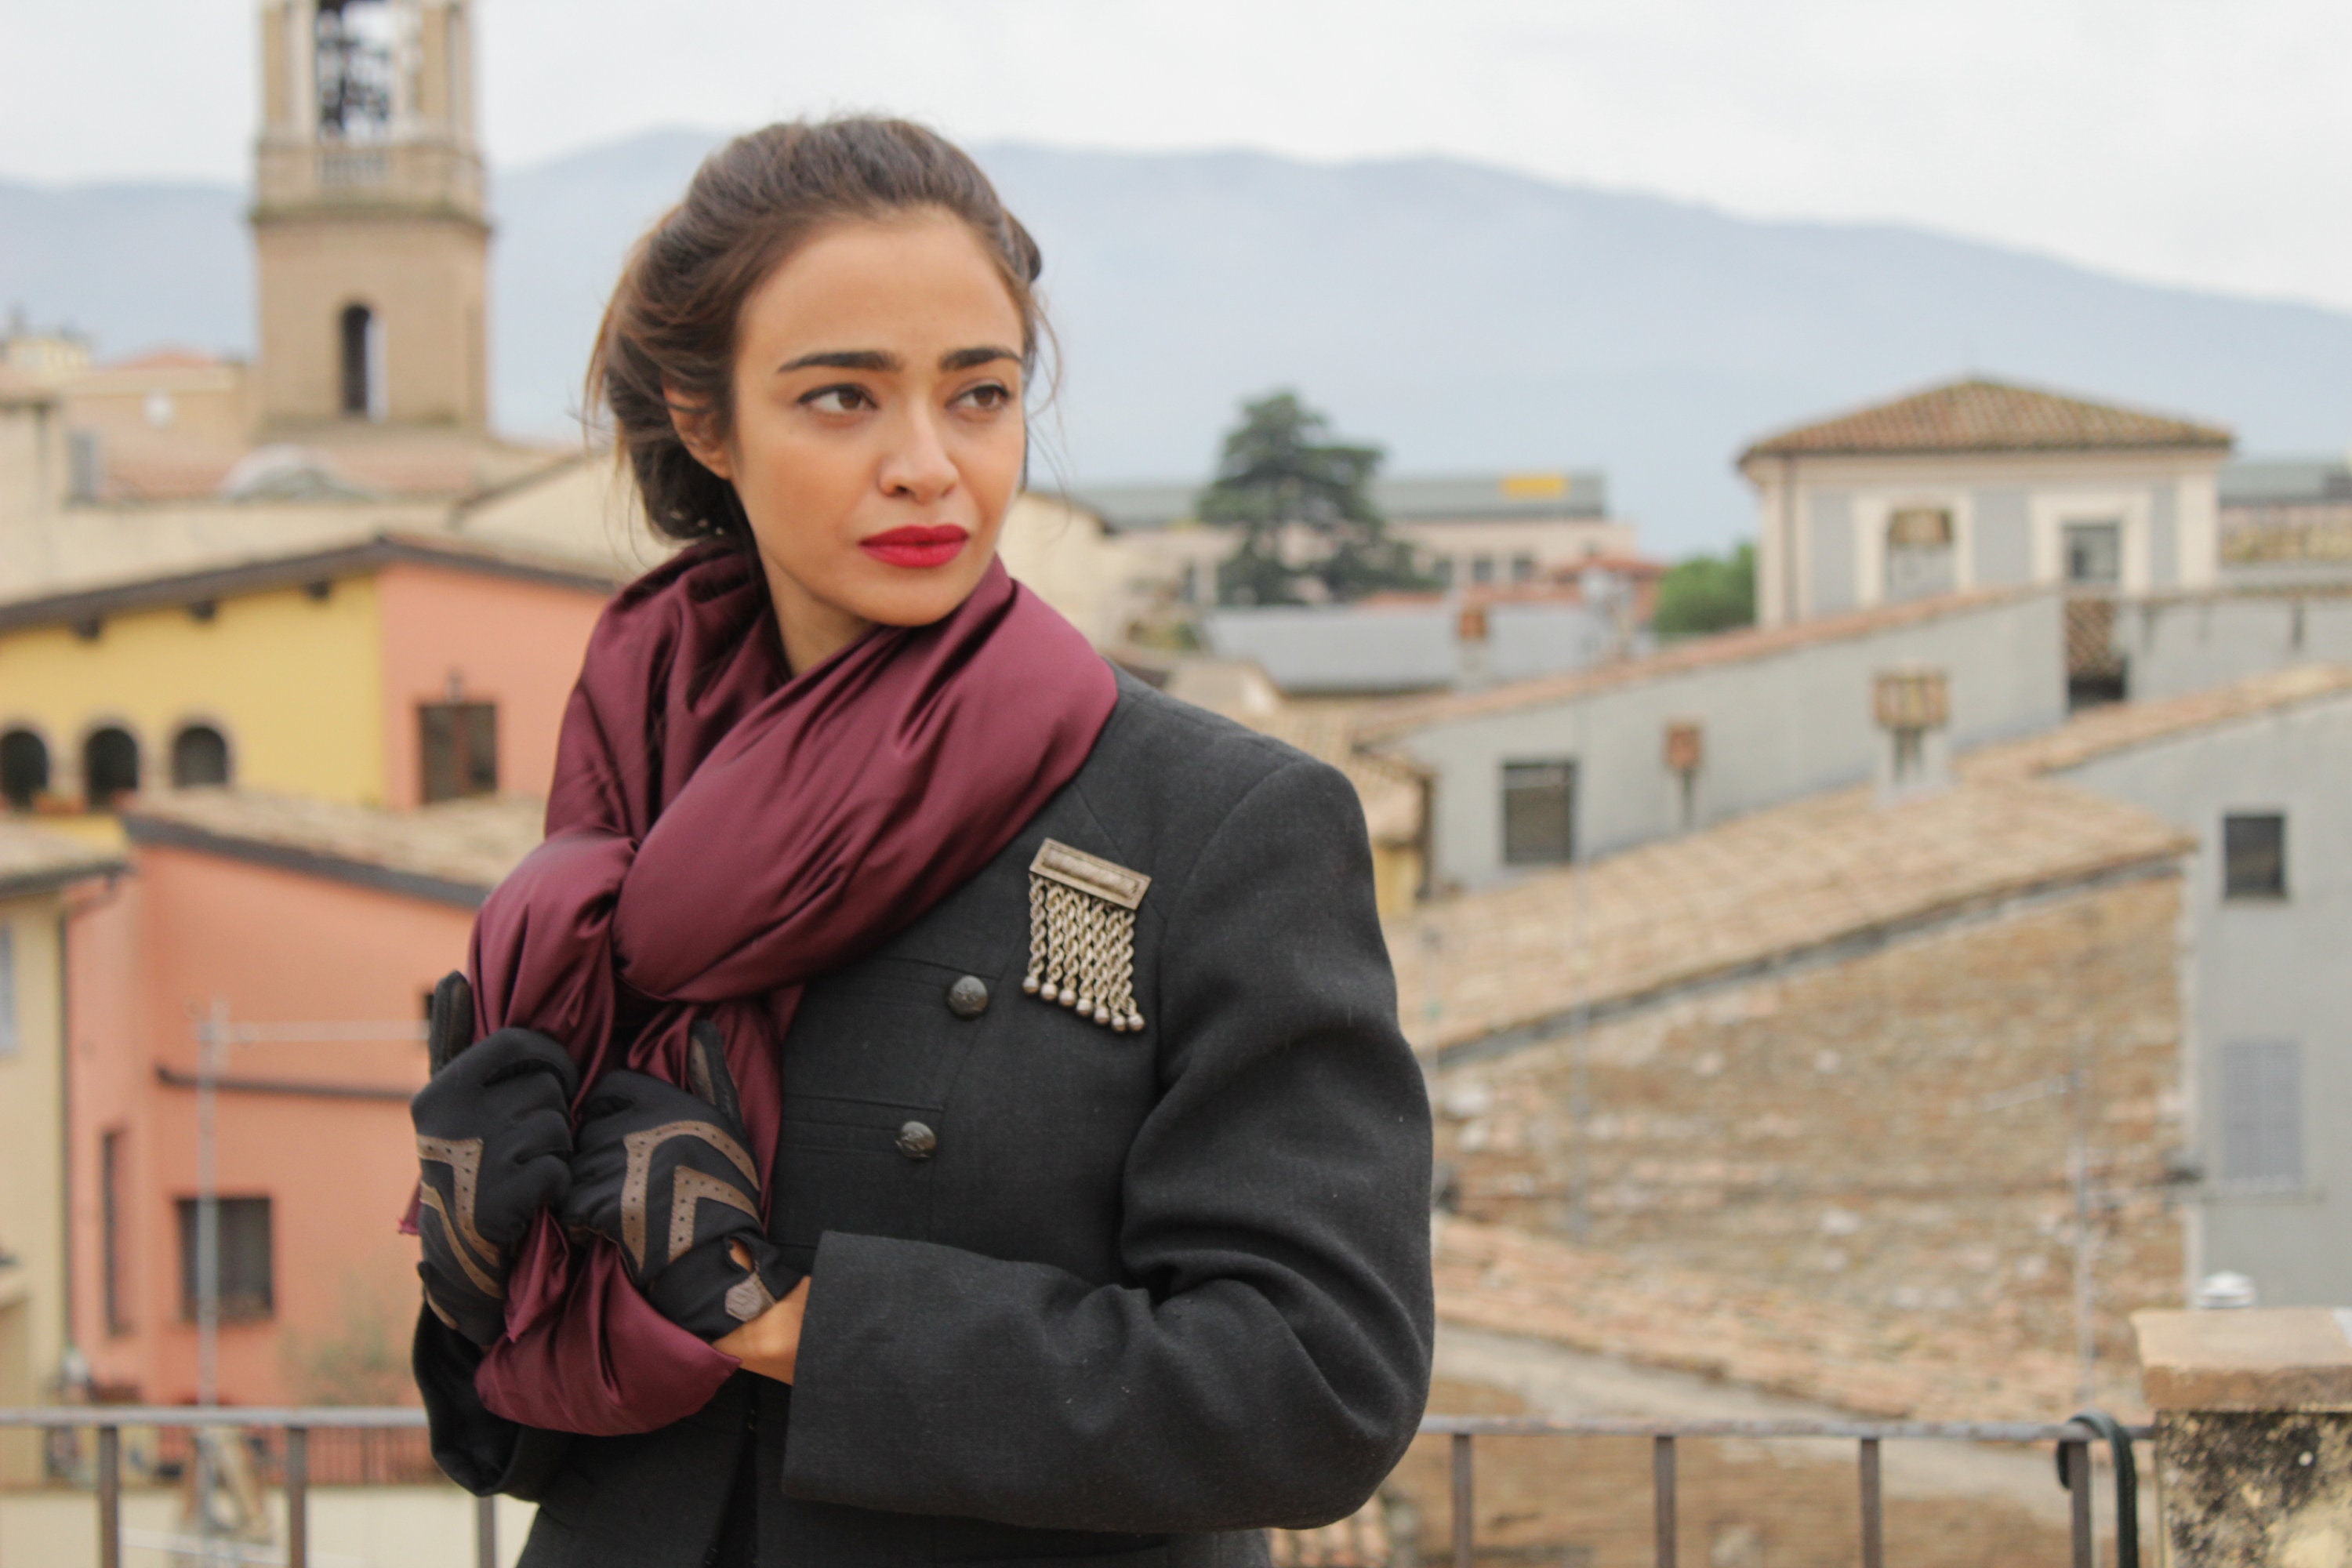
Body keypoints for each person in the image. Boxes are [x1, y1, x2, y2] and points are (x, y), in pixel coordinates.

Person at [407, 116, 1433, 1568]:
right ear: (709, 423)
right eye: (841, 399)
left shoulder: (1218, 823)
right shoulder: (633, 791)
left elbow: (1318, 1384)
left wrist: (793, 1327)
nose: (926, 466)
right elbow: (536, 1431)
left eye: (979, 396)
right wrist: (482, 1274)